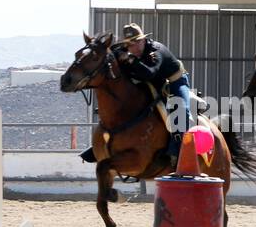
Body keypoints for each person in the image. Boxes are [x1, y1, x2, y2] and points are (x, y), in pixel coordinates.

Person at [77, 23, 195, 164]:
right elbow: (105, 60)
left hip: (174, 80)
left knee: (181, 110)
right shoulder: (121, 51)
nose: (136, 47)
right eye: (131, 44)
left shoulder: (156, 51)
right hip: (149, 81)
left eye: (139, 42)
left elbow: (149, 73)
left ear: (144, 40)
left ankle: (178, 152)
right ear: (126, 45)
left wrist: (130, 59)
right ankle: (102, 145)